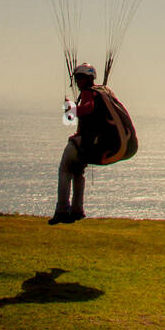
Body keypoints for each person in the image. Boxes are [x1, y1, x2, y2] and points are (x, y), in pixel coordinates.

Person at [49, 63, 103, 225]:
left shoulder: (88, 93)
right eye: (76, 77)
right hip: (91, 143)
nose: (77, 81)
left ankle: (62, 210)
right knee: (78, 173)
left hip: (81, 142)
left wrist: (72, 109)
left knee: (65, 170)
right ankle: (77, 210)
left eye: (80, 77)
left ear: (88, 79)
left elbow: (87, 108)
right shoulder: (99, 94)